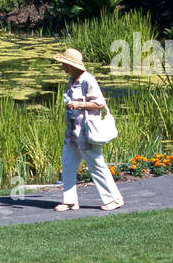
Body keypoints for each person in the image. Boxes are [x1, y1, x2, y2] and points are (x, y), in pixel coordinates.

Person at [52, 48, 124, 212]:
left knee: (97, 165)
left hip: (86, 133)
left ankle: (114, 198)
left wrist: (80, 104)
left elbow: (100, 104)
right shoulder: (72, 79)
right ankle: (70, 201)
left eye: (64, 63)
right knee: (68, 164)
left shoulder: (87, 80)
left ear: (72, 65)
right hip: (72, 133)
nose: (62, 66)